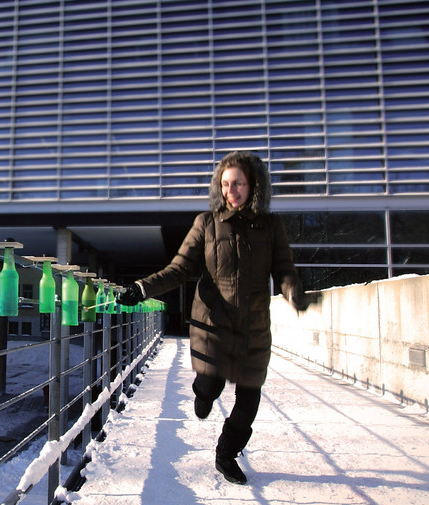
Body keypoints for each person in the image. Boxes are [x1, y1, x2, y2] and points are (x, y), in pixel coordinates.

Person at [118, 151, 311, 485]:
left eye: (237, 183)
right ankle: (204, 393)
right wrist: (141, 288)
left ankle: (226, 454)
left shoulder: (271, 227)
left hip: (253, 328)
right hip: (212, 324)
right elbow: (179, 269)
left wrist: (293, 290)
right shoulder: (206, 224)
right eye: (225, 184)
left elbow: (284, 270)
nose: (230, 190)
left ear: (254, 186)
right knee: (210, 383)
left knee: (249, 397)